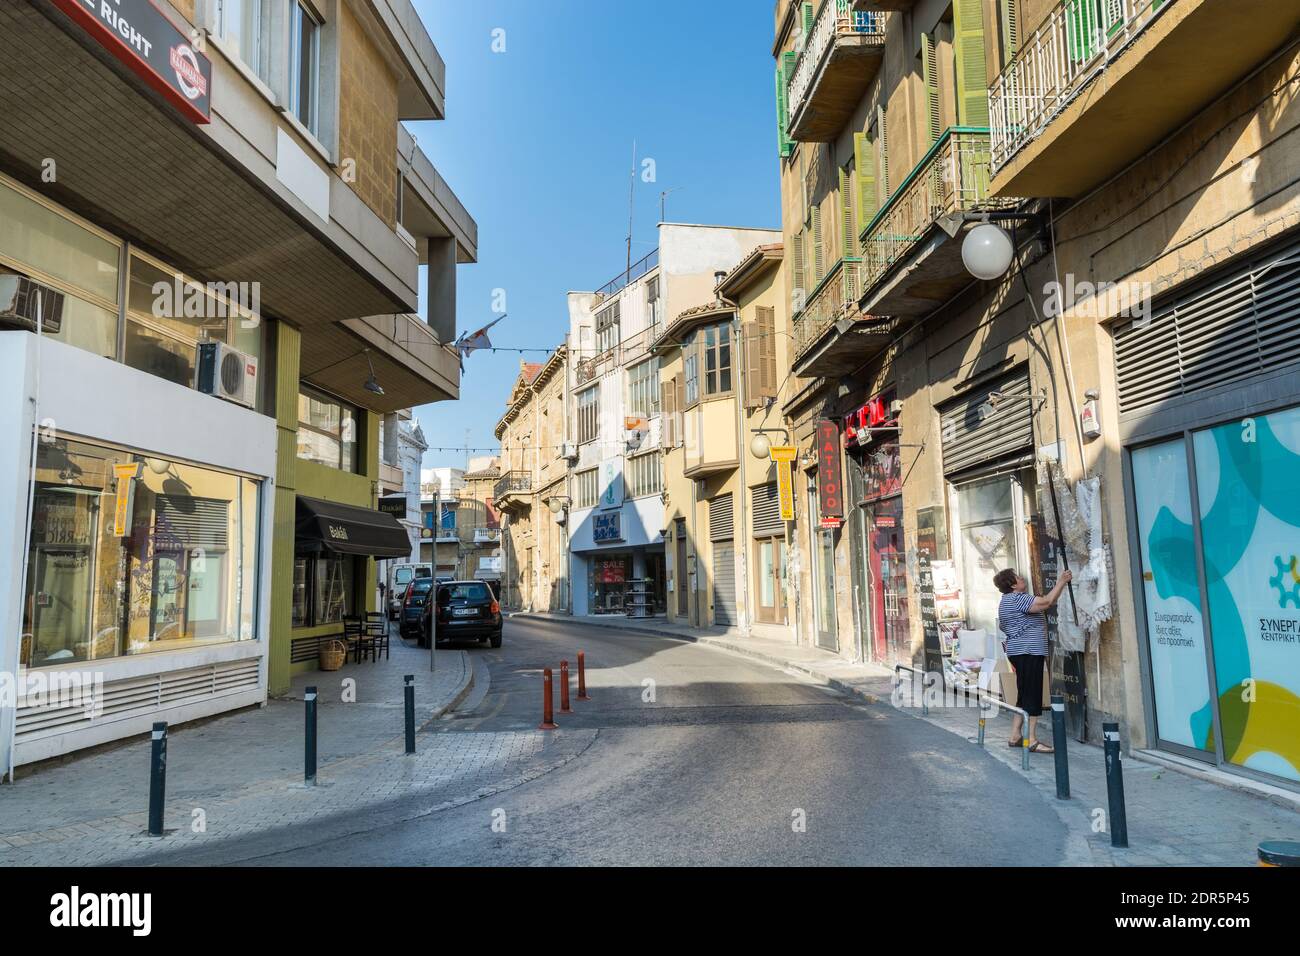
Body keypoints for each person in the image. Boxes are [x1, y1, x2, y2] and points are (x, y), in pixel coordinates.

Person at [992, 567, 1072, 753]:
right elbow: (1047, 601)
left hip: (1019, 651)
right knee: (1033, 694)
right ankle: (1032, 739)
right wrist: (1061, 581)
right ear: (1013, 584)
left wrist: (1061, 584)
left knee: (1025, 692)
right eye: (1018, 577)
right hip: (1028, 651)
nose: (1022, 578)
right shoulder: (1018, 599)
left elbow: (1046, 602)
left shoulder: (1006, 601)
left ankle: (1015, 735)